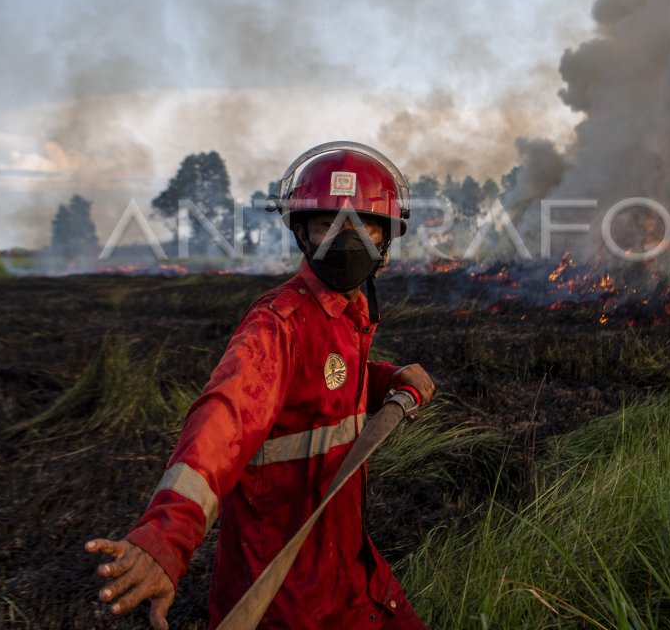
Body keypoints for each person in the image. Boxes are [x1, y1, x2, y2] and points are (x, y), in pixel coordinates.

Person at [86, 142, 436, 629]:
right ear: (302, 234)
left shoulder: (349, 314)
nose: (347, 239)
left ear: (386, 239)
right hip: (282, 588)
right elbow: (222, 420)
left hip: (346, 562)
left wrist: (388, 380)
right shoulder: (277, 325)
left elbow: (325, 384)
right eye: (327, 224)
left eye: (364, 225)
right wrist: (168, 535)